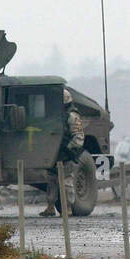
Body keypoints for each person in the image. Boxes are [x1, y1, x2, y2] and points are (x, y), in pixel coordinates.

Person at [40, 88, 86, 216]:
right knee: (51, 181)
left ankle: (68, 208)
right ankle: (50, 207)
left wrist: (68, 150)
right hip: (53, 153)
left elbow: (79, 137)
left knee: (66, 183)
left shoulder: (72, 116)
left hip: (66, 155)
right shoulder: (54, 115)